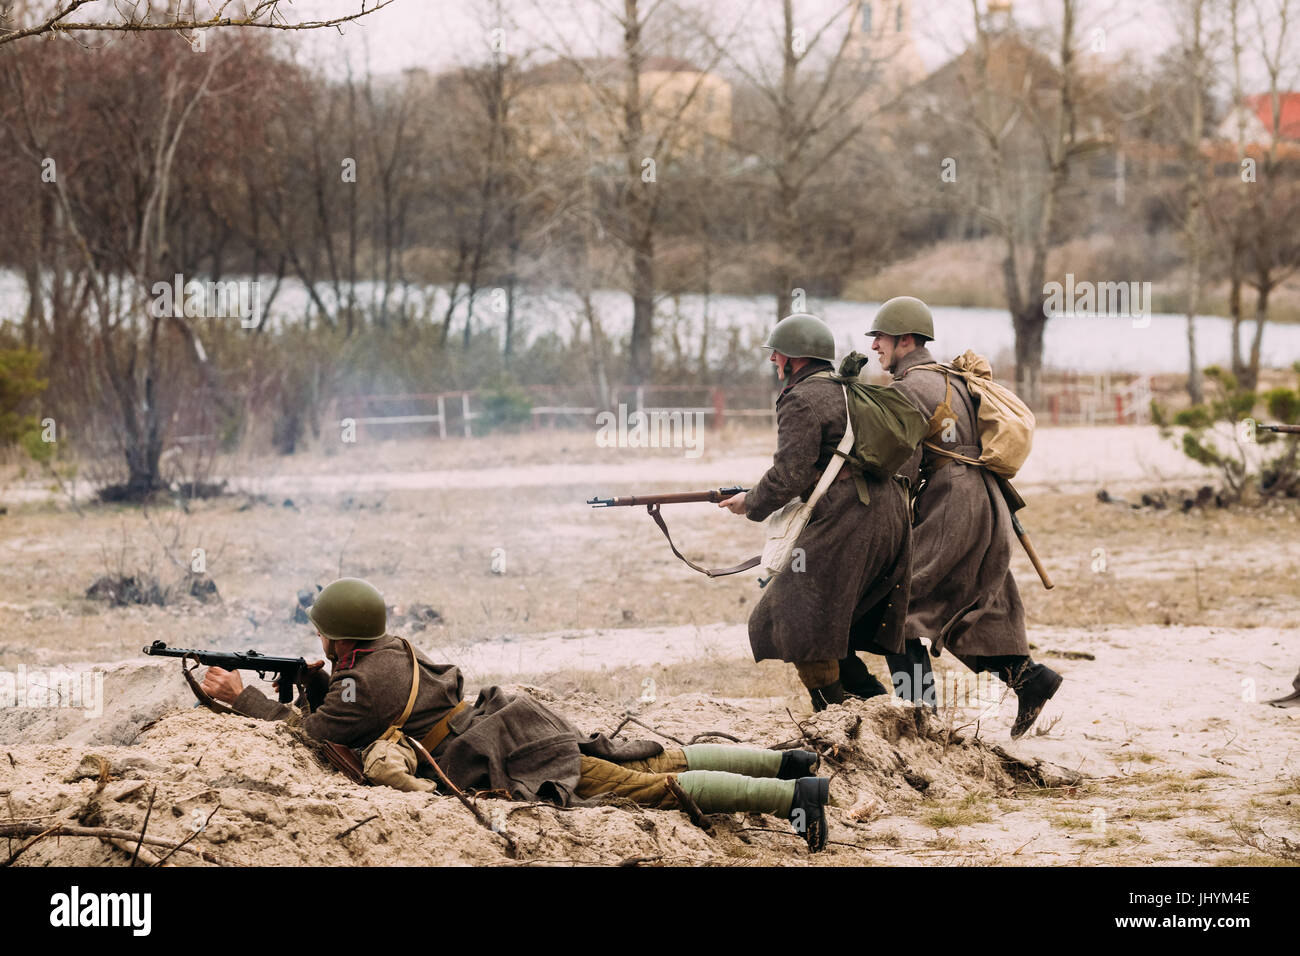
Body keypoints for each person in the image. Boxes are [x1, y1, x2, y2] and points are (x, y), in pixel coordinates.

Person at [199, 577, 833, 850]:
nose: (321, 650)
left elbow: (312, 737)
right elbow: (354, 700)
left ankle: (795, 796)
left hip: (506, 752)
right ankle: (785, 761)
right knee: (650, 752)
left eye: (324, 642)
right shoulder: (388, 652)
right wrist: (321, 681)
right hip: (515, 722)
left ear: (343, 642)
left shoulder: (360, 685)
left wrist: (243, 698)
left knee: (650, 788)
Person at [870, 296, 1063, 738]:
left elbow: (901, 465)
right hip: (987, 502)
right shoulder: (951, 378)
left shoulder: (908, 388)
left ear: (904, 340)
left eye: (880, 337)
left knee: (896, 608)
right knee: (979, 600)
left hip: (952, 504)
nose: (876, 346)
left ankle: (917, 716)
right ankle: (1031, 681)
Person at [718, 313, 913, 712]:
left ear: (794, 359)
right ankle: (871, 704)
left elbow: (790, 473)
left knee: (795, 613)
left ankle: (834, 716)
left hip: (850, 518)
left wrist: (750, 502)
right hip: (888, 515)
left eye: (777, 354)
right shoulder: (849, 389)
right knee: (825, 617)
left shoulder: (801, 398)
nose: (773, 360)